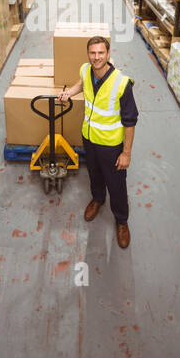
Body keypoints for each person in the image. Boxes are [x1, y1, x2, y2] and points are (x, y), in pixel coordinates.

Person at [58, 36, 138, 249]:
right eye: (92, 53)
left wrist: (126, 153)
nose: (96, 57)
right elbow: (81, 85)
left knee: (117, 183)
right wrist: (69, 93)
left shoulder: (122, 83)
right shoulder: (85, 70)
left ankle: (122, 220)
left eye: (100, 53)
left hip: (111, 145)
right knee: (94, 174)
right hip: (89, 138)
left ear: (108, 54)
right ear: (88, 54)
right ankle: (98, 199)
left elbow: (130, 122)